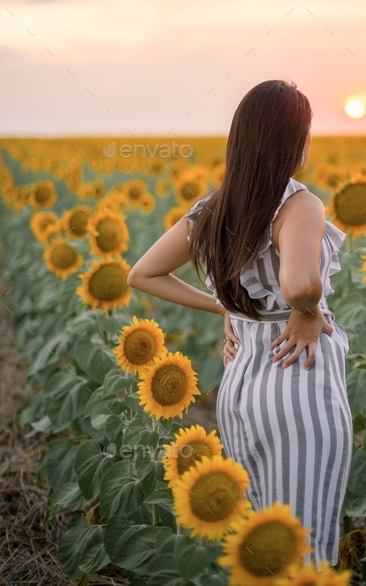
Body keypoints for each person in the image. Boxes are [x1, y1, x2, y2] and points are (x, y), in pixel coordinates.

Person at [128, 79, 353, 569]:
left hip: (240, 390)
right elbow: (298, 285)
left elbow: (142, 273)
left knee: (261, 552)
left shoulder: (211, 210)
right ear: (294, 141)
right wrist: (308, 311)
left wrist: (229, 309)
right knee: (304, 554)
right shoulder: (299, 204)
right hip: (299, 385)